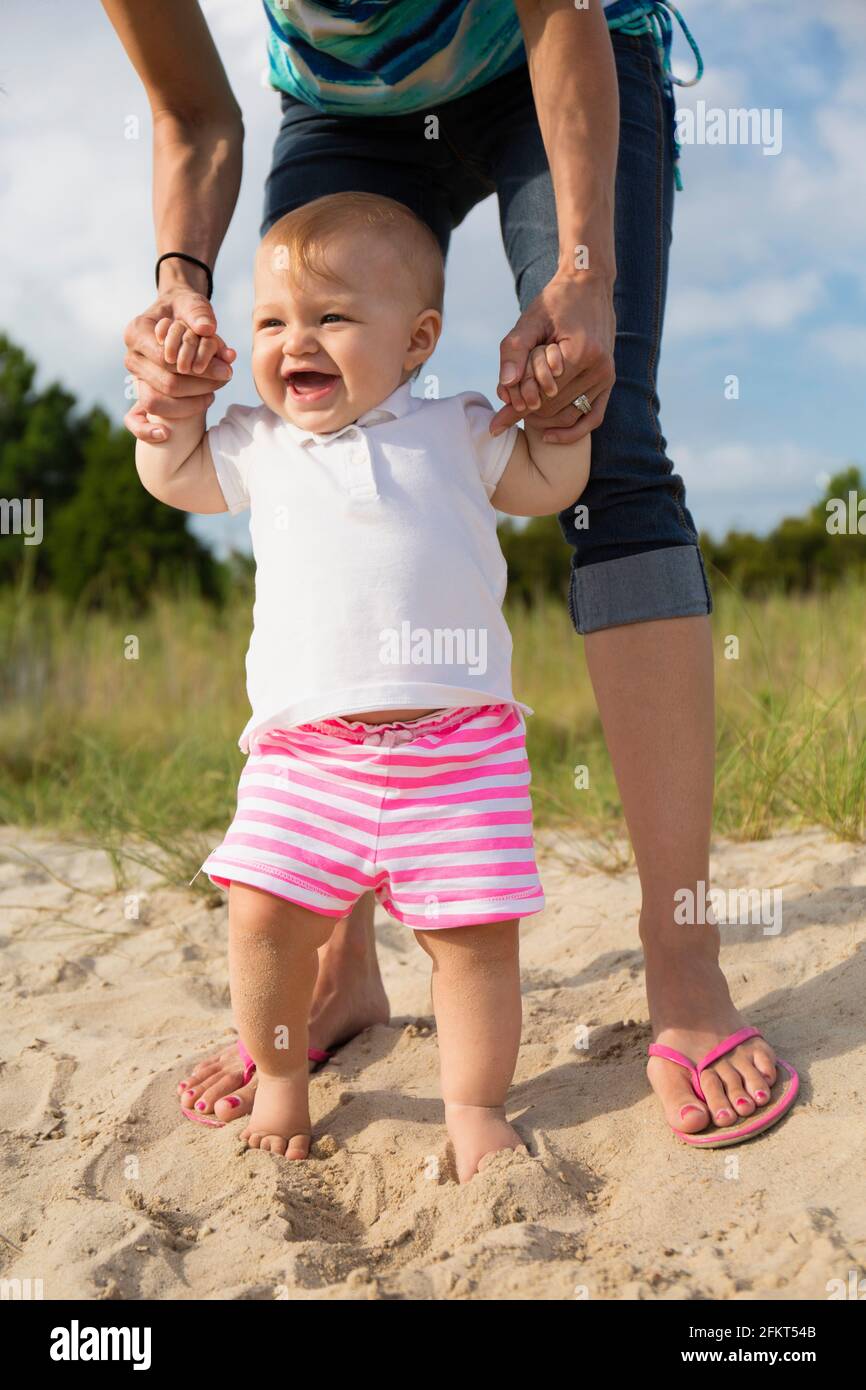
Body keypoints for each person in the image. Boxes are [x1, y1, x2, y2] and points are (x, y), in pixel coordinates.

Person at [104, 0, 797, 1145]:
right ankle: (338, 972)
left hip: (549, 54)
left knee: (605, 438)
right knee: (312, 378)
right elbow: (188, 109)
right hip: (345, 106)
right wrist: (181, 284)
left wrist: (580, 275)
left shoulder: (461, 426)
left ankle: (682, 963)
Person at [135, 191, 591, 1178]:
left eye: (331, 317)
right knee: (260, 920)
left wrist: (562, 419)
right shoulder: (259, 441)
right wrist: (172, 408)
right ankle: (284, 1074)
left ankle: (471, 1103)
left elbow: (544, 487)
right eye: (271, 322)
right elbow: (175, 476)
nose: (294, 339)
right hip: (309, 757)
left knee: (474, 946)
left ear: (417, 338)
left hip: (457, 750)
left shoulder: (457, 428)